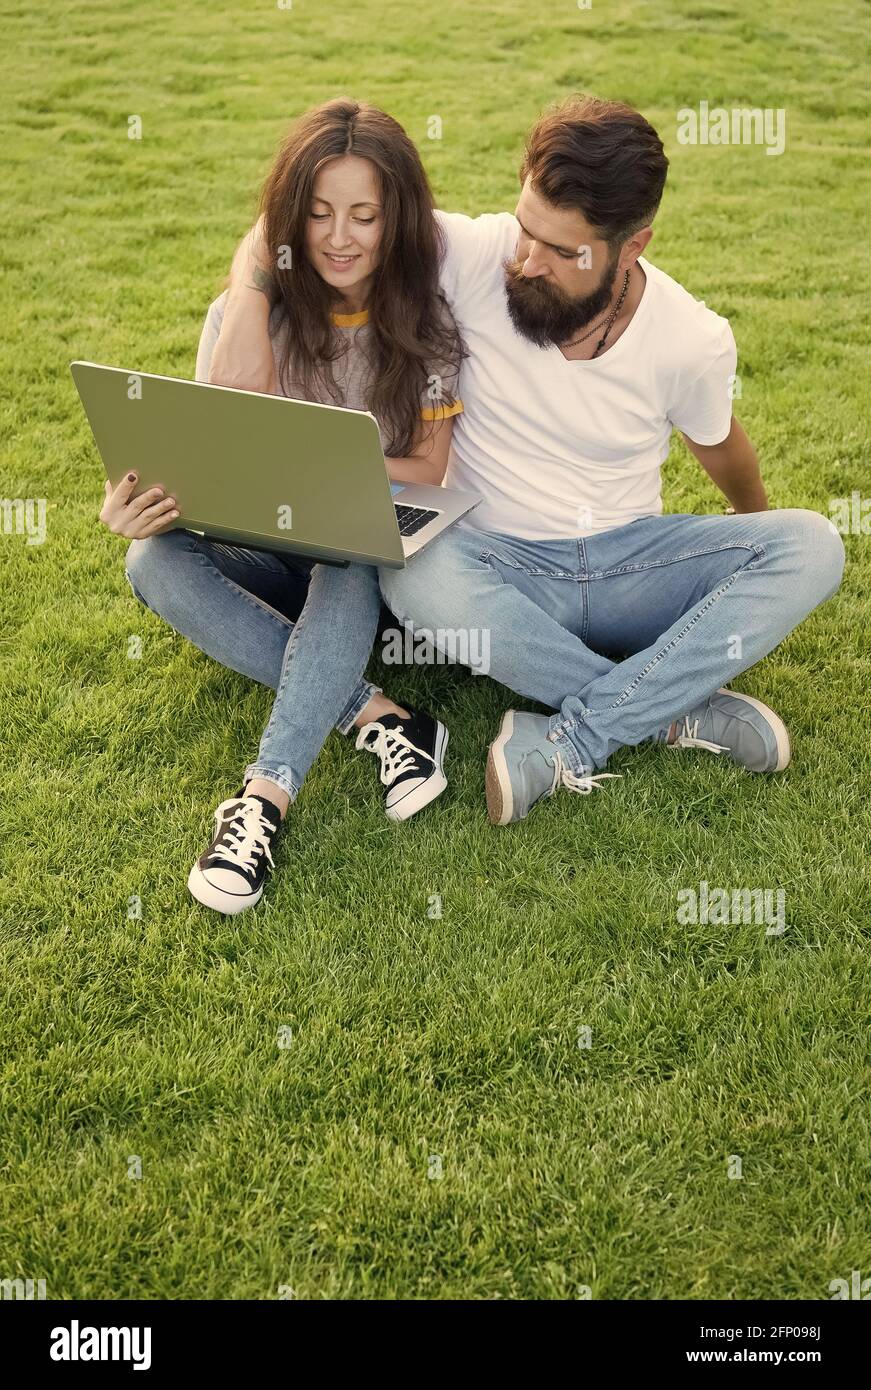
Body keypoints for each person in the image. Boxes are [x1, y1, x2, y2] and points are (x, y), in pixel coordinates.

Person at [216, 94, 845, 825]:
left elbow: (724, 448)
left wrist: (749, 549)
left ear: (631, 246)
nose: (526, 259)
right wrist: (249, 305)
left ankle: (575, 734)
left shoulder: (691, 338)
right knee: (411, 567)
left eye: (560, 250)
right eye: (526, 230)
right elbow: (288, 223)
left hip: (625, 569)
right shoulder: (479, 255)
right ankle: (669, 714)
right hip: (490, 570)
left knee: (812, 545)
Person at [102, 100, 464, 912]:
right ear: (288, 216)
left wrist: (338, 459)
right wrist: (149, 496)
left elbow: (431, 471)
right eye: (320, 212)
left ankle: (263, 798)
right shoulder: (247, 314)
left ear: (395, 218)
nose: (340, 237)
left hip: (361, 560)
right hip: (267, 547)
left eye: (365, 216)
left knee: (348, 548)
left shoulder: (426, 328)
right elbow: (212, 446)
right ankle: (383, 718)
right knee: (150, 557)